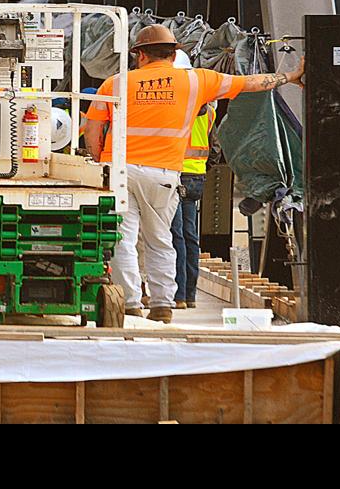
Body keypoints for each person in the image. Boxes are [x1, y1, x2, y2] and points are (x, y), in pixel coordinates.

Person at [81, 25, 302, 323]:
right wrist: (289, 76)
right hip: (164, 173)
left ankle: (130, 303)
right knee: (160, 239)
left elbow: (93, 129)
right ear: (173, 55)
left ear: (141, 55)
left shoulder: (116, 83)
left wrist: (100, 161)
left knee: (123, 240)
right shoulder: (197, 80)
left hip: (120, 171)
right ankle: (162, 304)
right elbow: (251, 82)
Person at [171, 50, 212, 309]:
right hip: (197, 175)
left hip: (175, 172)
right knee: (189, 234)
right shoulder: (209, 109)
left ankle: (178, 295)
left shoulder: (176, 106)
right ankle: (189, 295)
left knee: (175, 235)